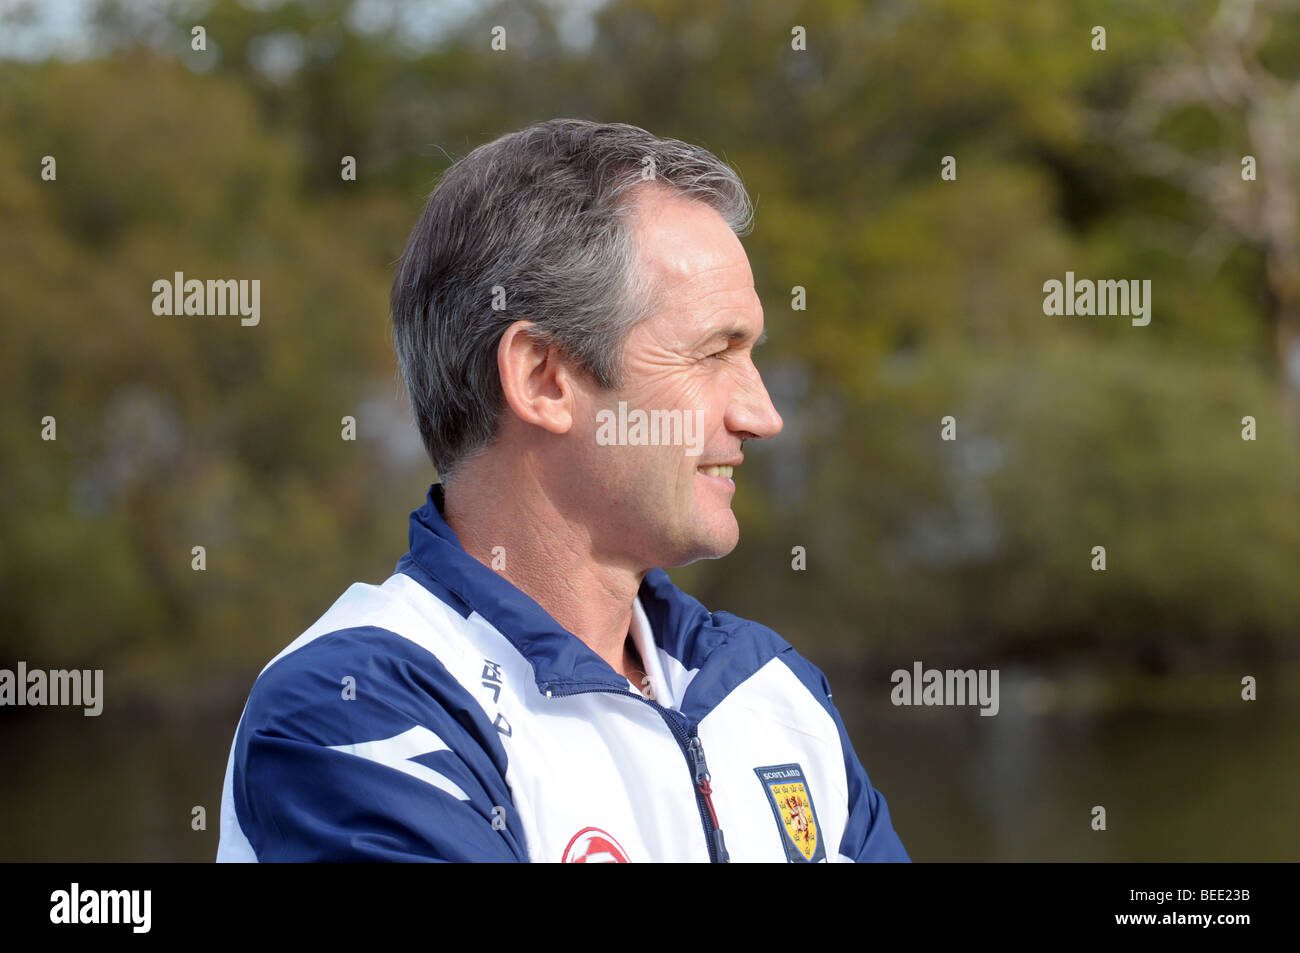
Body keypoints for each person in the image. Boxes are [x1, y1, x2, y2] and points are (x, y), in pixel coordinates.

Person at [217, 119, 908, 863]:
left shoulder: (768, 686)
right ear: (545, 377)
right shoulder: (352, 705)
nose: (762, 415)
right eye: (714, 354)